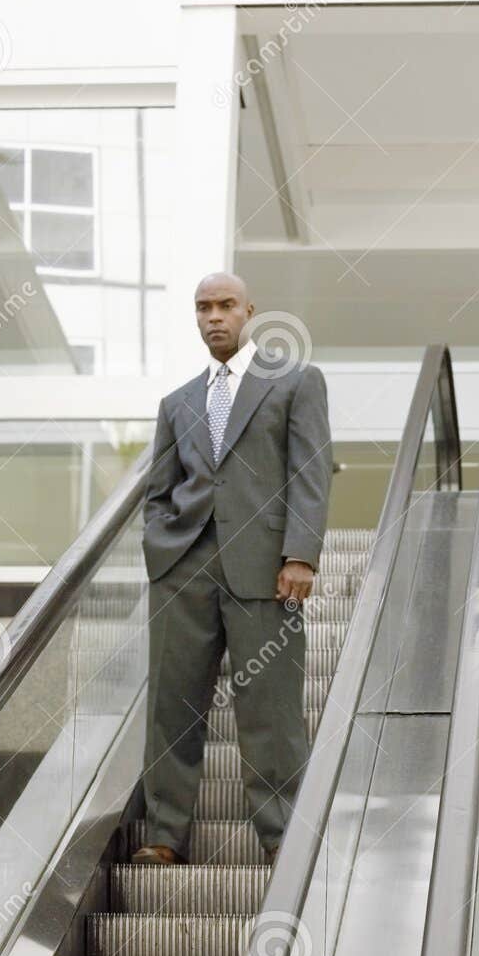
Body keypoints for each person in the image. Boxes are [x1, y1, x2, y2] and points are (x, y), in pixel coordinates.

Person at [132, 272, 331, 867]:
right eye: (203, 308)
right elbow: (158, 490)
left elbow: (311, 471)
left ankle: (279, 838)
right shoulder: (177, 403)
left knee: (269, 706)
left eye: (225, 306)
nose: (214, 316)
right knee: (173, 705)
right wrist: (159, 547)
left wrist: (301, 555)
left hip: (265, 568)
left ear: (249, 310)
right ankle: (164, 835)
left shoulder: (294, 381)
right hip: (182, 568)